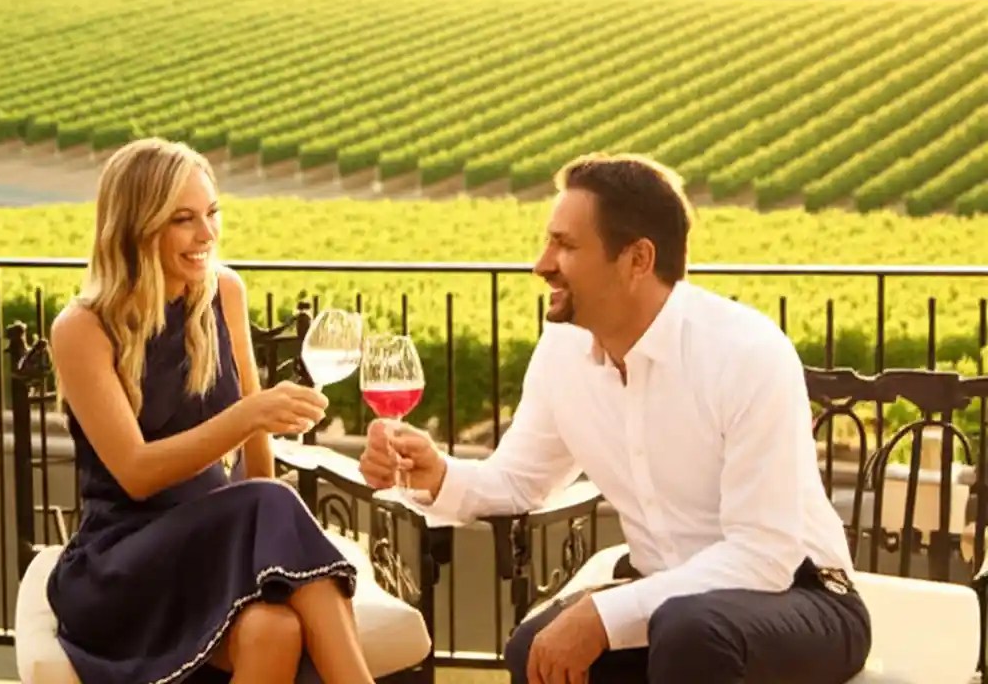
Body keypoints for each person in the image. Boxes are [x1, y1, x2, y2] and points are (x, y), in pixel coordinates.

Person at [357, 153, 871, 683]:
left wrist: (607, 614)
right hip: (672, 601)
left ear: (637, 260)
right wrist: (436, 472)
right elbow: (517, 480)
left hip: (804, 596)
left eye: (566, 245)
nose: (542, 263)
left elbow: (763, 557)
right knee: (533, 651)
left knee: (690, 632)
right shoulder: (563, 350)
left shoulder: (745, 352)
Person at [47, 138, 375, 684]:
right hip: (123, 561)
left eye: (212, 213)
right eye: (183, 219)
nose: (207, 235)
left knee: (274, 628)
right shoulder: (83, 327)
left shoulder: (224, 291)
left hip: (213, 546)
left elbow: (257, 455)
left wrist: (271, 566)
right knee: (272, 499)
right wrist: (249, 416)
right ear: (137, 227)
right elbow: (136, 472)